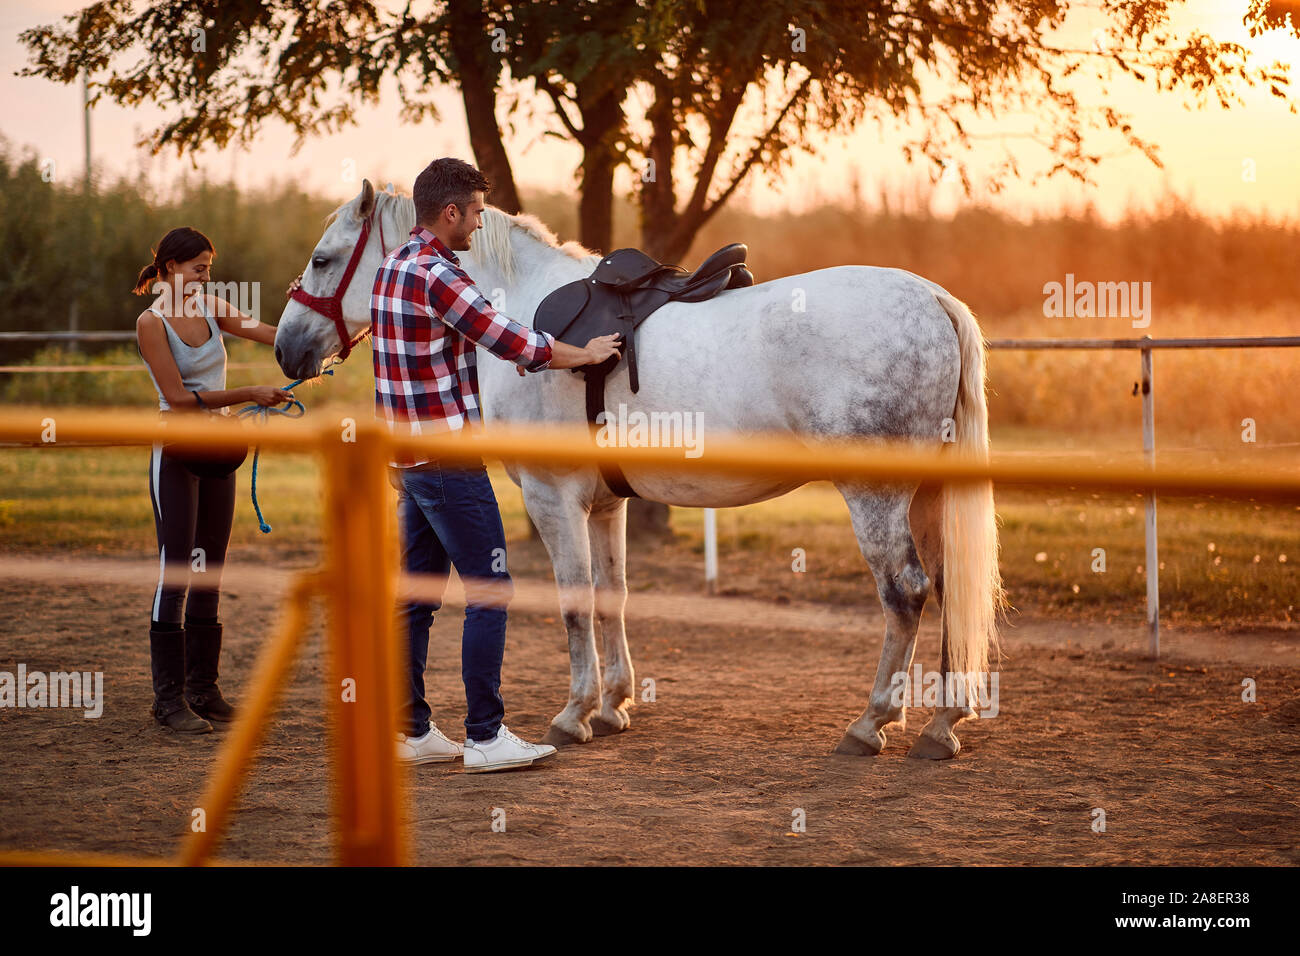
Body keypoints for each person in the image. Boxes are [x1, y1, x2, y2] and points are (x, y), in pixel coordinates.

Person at [372, 158, 621, 773]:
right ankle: (485, 737)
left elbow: (387, 369)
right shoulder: (439, 274)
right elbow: (512, 339)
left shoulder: (390, 269)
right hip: (451, 461)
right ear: (451, 212)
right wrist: (581, 353)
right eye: (477, 211)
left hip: (411, 458)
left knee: (416, 597)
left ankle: (411, 731)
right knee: (490, 590)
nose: (482, 223)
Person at [134, 227, 292, 734]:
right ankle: (168, 700)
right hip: (177, 449)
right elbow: (178, 400)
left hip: (218, 447)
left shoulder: (211, 305)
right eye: (198, 267)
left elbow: (270, 334)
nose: (206, 275)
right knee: (177, 568)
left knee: (211, 568)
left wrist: (318, 331)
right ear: (169, 269)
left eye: (208, 267)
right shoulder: (151, 323)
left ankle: (204, 689)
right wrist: (250, 391)